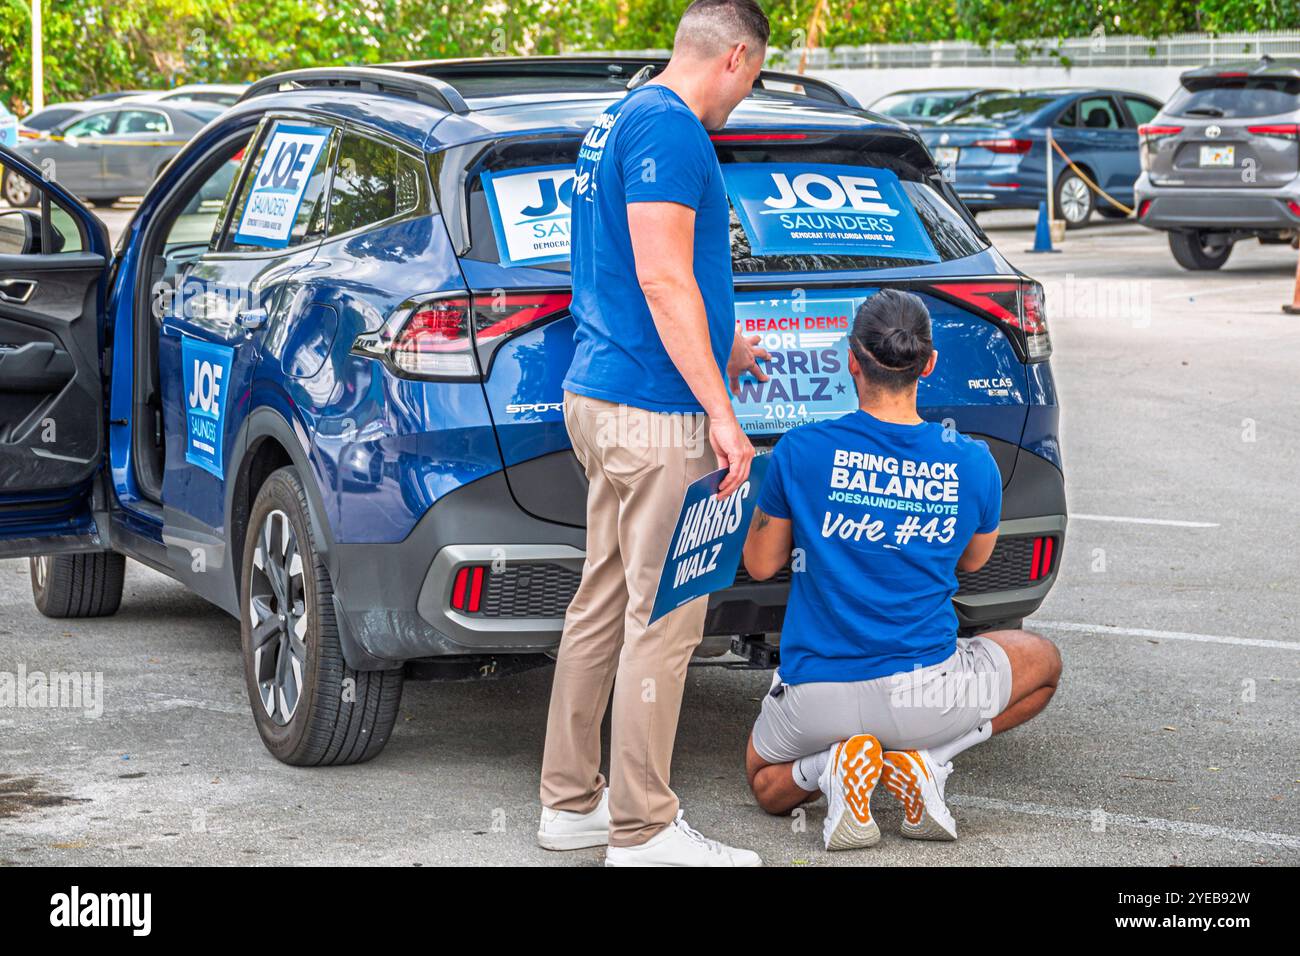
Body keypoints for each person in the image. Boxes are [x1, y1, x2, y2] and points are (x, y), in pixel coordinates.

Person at [537, 0, 772, 867]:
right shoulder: (673, 132)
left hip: (603, 396)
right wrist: (720, 408)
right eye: (750, 81)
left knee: (600, 604)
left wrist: (724, 344)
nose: (742, 99)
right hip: (656, 411)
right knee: (665, 618)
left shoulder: (618, 118)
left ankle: (570, 807)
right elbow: (664, 278)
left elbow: (632, 271)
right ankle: (642, 829)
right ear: (737, 58)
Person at [741, 289, 1062, 851]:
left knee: (766, 783)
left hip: (819, 691)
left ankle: (832, 767)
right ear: (929, 363)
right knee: (1044, 662)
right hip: (926, 694)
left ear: (850, 360)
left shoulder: (802, 448)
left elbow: (762, 564)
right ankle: (923, 761)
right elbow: (976, 561)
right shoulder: (971, 461)